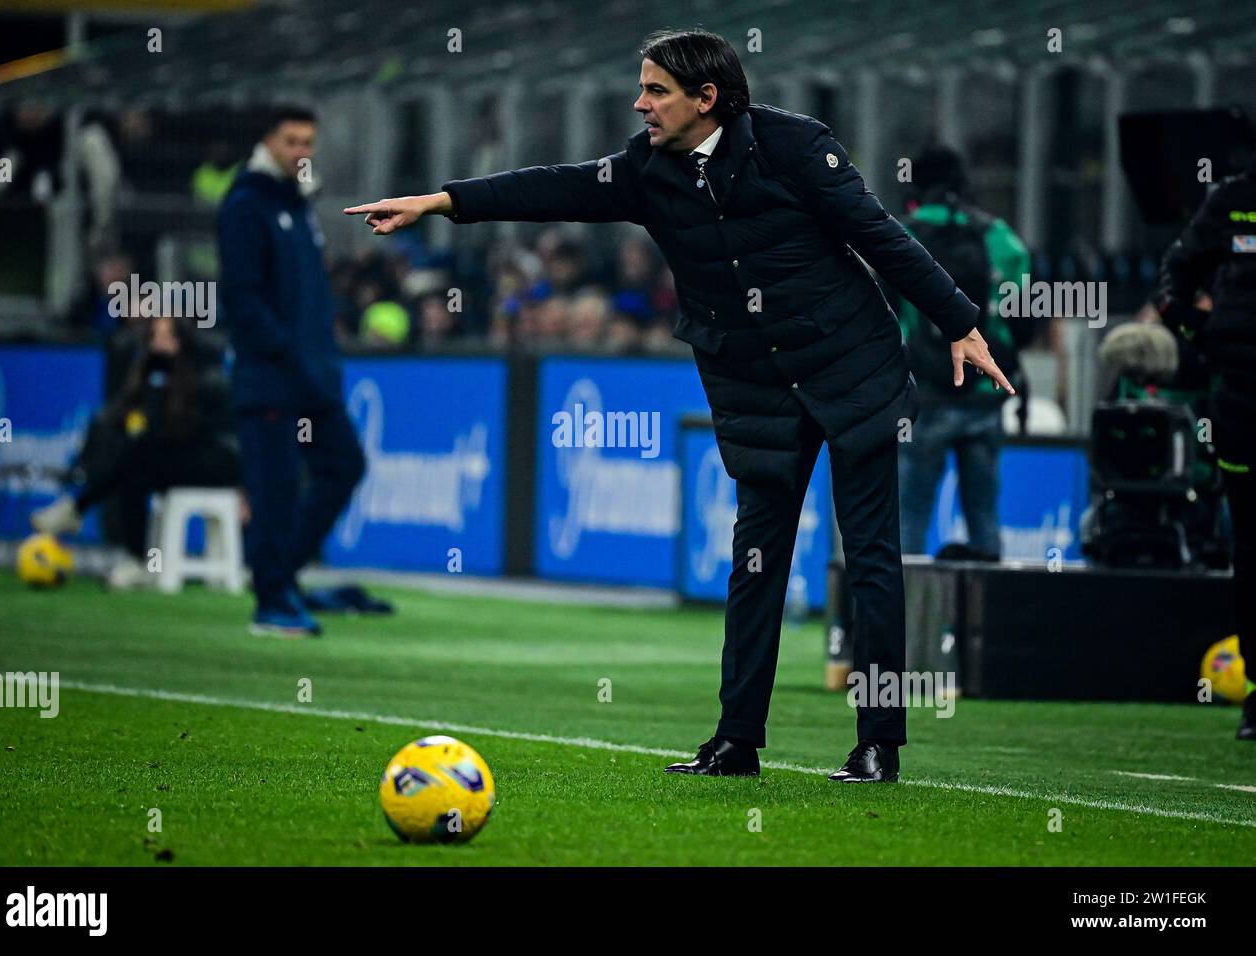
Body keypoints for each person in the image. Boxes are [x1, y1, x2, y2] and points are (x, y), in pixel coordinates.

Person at [346, 28, 1012, 782]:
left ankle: (878, 743)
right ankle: (735, 743)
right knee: (755, 564)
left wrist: (960, 324)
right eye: (642, 88)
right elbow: (553, 186)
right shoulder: (645, 170)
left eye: (656, 91)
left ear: (708, 97)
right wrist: (441, 202)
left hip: (852, 372)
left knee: (871, 562)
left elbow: (881, 236)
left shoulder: (798, 148)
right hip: (756, 388)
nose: (641, 104)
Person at [219, 105, 386, 637]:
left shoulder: (298, 203)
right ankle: (270, 601)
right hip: (271, 377)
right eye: (291, 141)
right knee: (276, 489)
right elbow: (243, 301)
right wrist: (288, 354)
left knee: (343, 464)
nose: (302, 152)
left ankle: (283, 576)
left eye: (308, 142)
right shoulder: (246, 203)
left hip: (311, 376)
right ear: (266, 143)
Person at [1153, 145, 1256, 739]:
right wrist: (1206, 336)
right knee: (1248, 542)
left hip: (1235, 388)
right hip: (1241, 394)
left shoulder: (1231, 197)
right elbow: (1175, 279)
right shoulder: (1232, 199)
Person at [890, 146, 1031, 561]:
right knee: (984, 516)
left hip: (924, 397)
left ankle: (903, 619)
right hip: (984, 399)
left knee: (909, 517)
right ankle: (987, 619)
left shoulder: (902, 234)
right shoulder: (998, 237)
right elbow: (1023, 321)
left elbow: (883, 317)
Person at [31, 316, 242, 589]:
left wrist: (242, 488)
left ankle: (78, 509)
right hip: (168, 461)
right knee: (133, 466)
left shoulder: (205, 379)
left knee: (138, 456)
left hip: (214, 464)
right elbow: (126, 419)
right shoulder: (152, 373)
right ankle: (134, 557)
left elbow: (201, 435)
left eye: (168, 337)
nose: (161, 344)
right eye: (156, 336)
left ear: (184, 340)